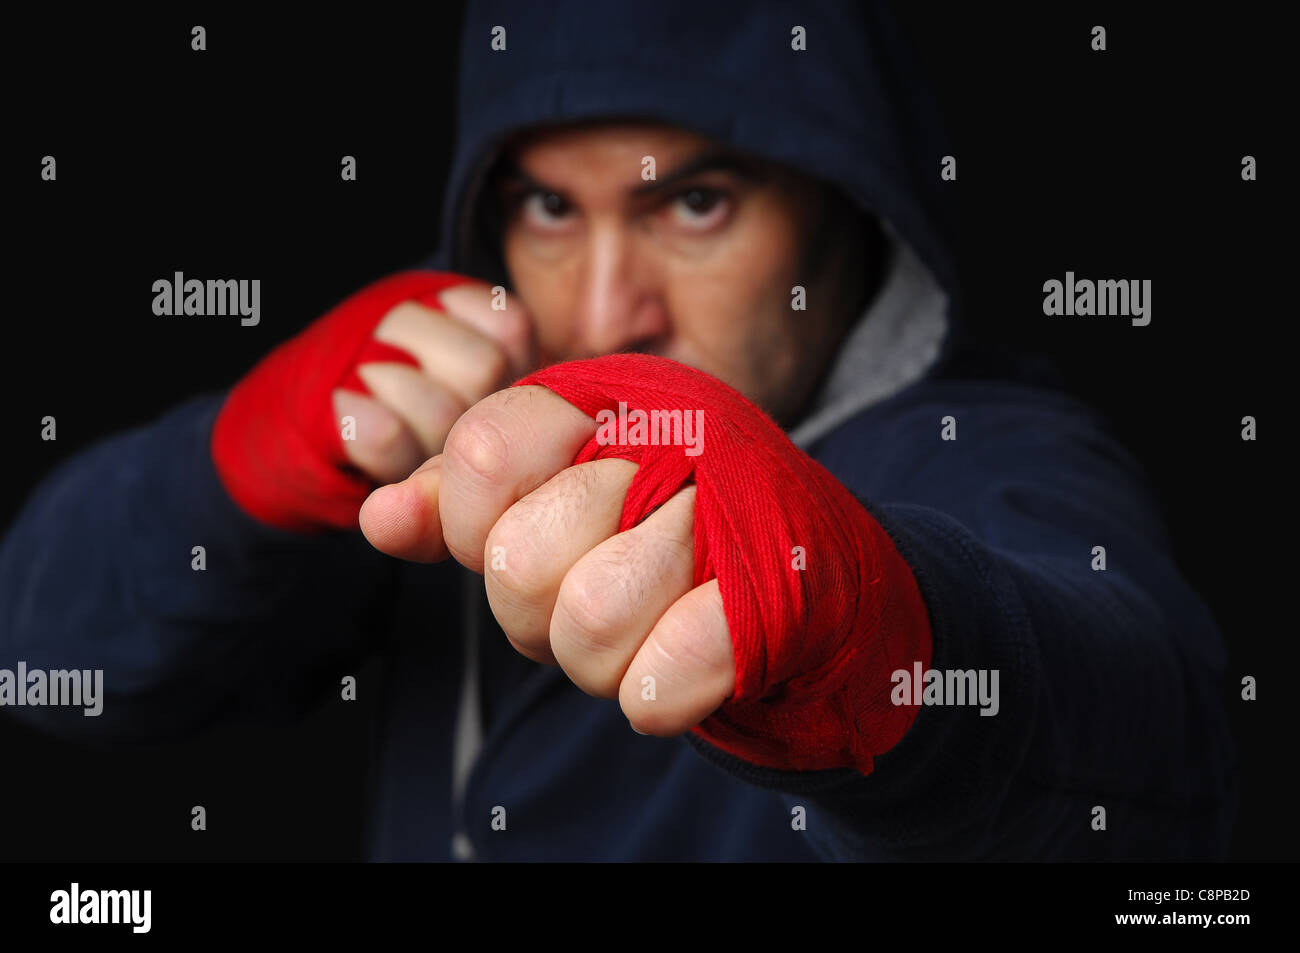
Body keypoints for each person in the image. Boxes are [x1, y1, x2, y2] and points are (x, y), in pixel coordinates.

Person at [0, 0, 1235, 861]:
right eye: (548, 205)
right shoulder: (452, 440)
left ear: (842, 207)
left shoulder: (988, 449)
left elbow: (1161, 771)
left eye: (691, 203)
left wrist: (887, 636)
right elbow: (42, 658)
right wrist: (230, 471)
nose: (604, 310)